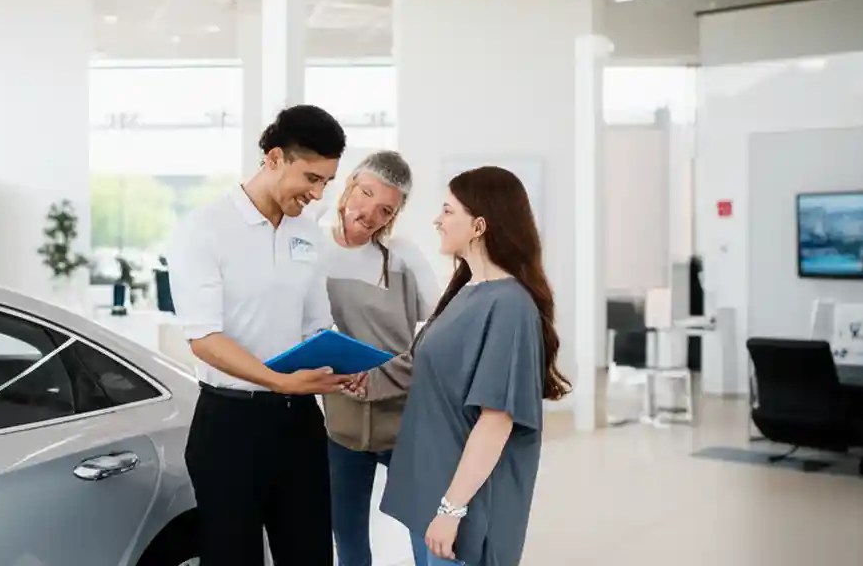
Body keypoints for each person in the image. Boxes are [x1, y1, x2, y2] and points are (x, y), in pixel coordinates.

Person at [166, 104, 350, 566]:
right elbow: (204, 337)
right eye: (311, 178)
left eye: (327, 181)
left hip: (300, 426)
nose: (318, 192)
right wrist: (278, 379)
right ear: (274, 158)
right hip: (230, 426)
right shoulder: (204, 229)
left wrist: (341, 364)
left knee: (309, 556)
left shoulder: (307, 233)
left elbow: (315, 323)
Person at [380, 166, 572, 566]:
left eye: (448, 211)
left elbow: (496, 420)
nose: (437, 220)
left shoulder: (510, 306)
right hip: (433, 491)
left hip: (463, 505)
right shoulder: (466, 291)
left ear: (479, 225)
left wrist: (451, 511)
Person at [320, 151, 440, 566]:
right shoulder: (311, 248)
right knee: (348, 534)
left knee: (425, 525)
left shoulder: (403, 255)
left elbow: (438, 325)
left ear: (396, 213)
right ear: (349, 182)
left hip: (404, 415)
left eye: (384, 209)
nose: (368, 213)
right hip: (342, 419)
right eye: (365, 194)